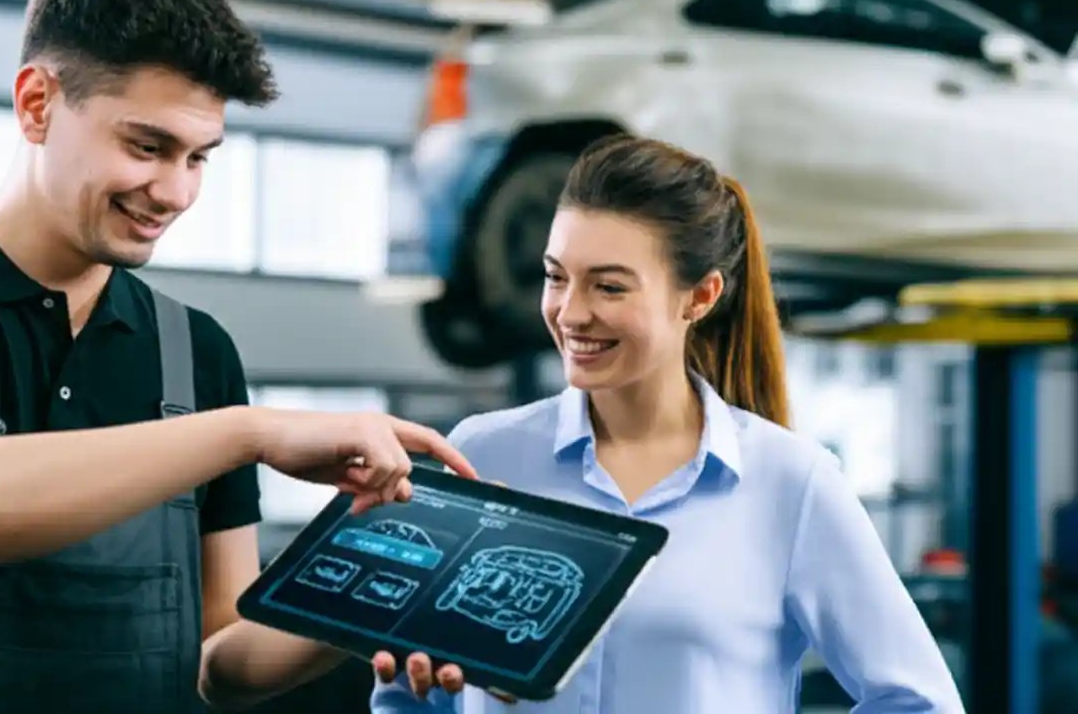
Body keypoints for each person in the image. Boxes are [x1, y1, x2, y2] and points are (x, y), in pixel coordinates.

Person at [0, 0, 476, 712]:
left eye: (199, 157)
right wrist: (248, 433)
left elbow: (218, 660)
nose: (176, 192)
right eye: (147, 147)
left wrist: (372, 600)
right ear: (36, 104)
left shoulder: (197, 352)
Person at [369, 135, 964, 713]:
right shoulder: (482, 454)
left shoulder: (791, 482)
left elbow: (919, 702)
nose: (570, 312)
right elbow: (406, 697)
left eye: (608, 286)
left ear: (700, 297)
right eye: (555, 277)